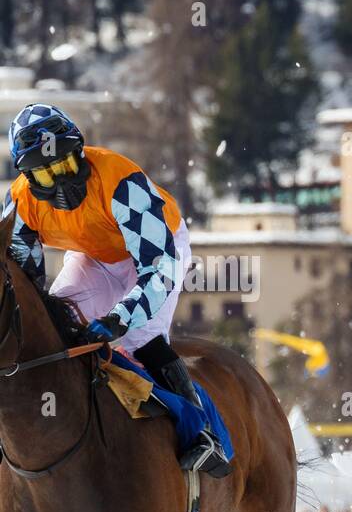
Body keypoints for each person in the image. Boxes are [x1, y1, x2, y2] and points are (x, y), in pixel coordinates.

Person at [4, 103, 228, 475]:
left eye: (63, 166)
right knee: (59, 331)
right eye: (45, 174)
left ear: (80, 153)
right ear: (28, 179)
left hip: (159, 255)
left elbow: (162, 269)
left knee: (140, 337)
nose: (58, 180)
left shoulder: (121, 183)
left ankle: (204, 435)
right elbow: (26, 285)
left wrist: (120, 318)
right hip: (93, 256)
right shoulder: (19, 204)